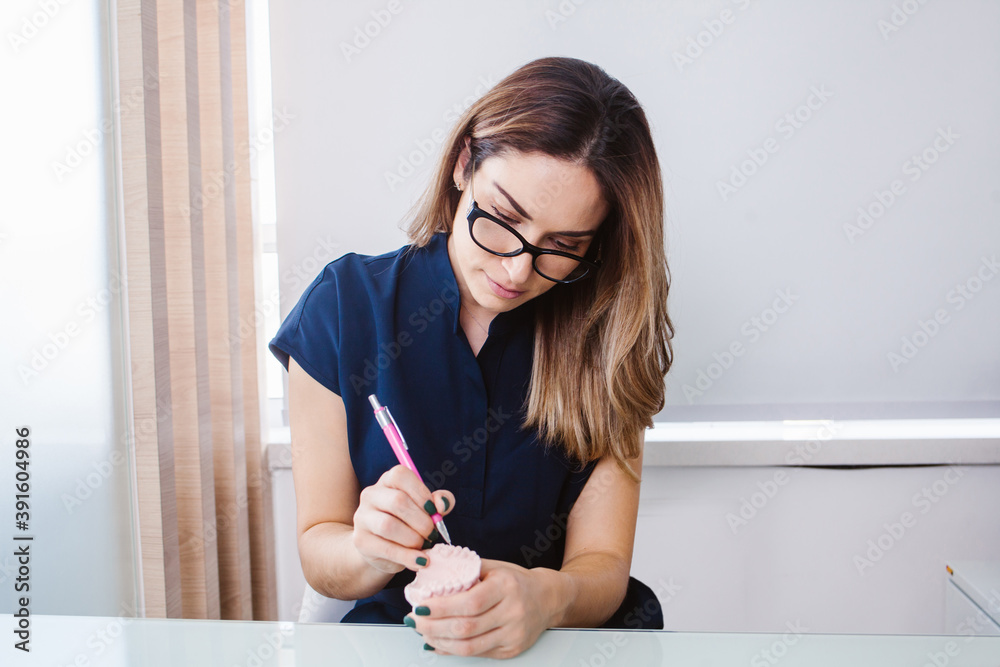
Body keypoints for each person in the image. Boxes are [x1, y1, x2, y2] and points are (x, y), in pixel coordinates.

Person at [269, 56, 674, 659]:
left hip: (561, 643)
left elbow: (603, 565)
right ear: (464, 163)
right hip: (396, 641)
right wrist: (366, 548)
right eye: (504, 219)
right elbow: (319, 555)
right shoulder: (345, 308)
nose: (515, 270)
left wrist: (544, 598)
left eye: (563, 247)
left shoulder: (608, 339)